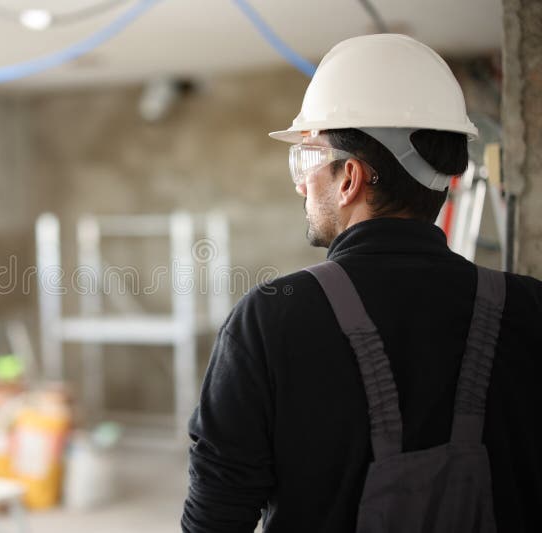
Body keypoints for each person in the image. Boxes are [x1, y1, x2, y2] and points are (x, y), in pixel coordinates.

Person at [181, 34, 542, 532]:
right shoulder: (530, 308)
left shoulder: (270, 319)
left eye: (307, 159)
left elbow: (215, 521)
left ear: (350, 178)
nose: (300, 183)